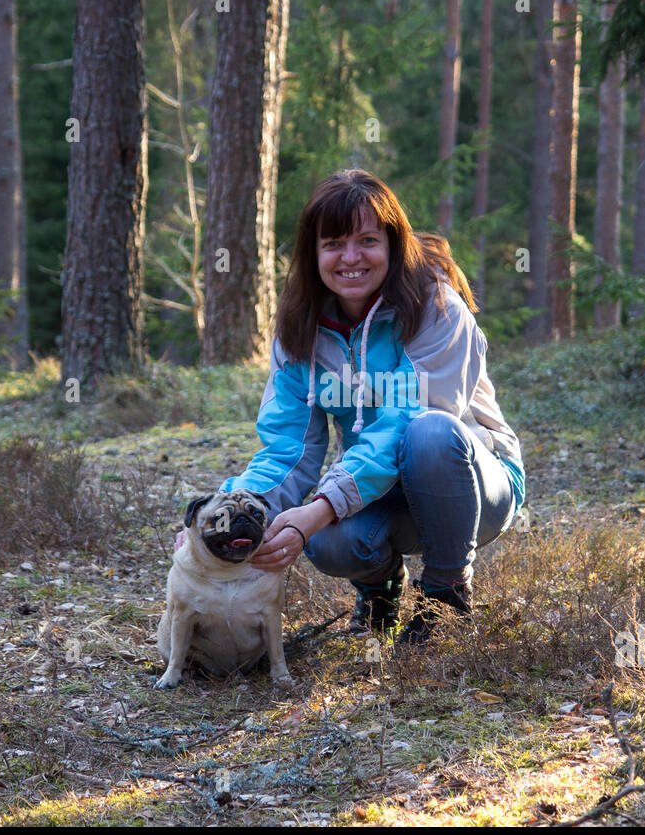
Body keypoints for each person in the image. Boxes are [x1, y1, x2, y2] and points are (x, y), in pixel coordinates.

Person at [216, 168, 525, 646]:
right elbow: (287, 450)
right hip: (376, 486)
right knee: (326, 540)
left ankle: (446, 593)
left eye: (367, 240)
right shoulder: (302, 332)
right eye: (334, 244)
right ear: (312, 253)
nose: (351, 258)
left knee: (429, 433)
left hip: (475, 484)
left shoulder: (436, 310)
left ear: (393, 244)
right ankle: (380, 591)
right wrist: (231, 511)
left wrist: (320, 506)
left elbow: (405, 424)